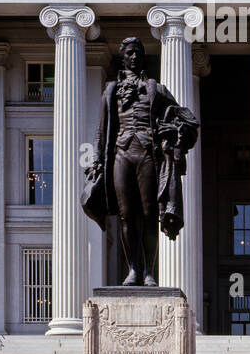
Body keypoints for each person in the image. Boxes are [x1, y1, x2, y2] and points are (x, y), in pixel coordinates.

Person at [82, 37, 199, 285]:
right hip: (120, 155)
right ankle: (133, 269)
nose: (134, 57)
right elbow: (101, 131)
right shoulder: (111, 91)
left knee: (148, 214)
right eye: (130, 53)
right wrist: (96, 160)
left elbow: (187, 120)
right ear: (123, 57)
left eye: (138, 53)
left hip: (147, 153)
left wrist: (173, 133)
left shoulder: (156, 89)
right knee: (126, 214)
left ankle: (149, 272)